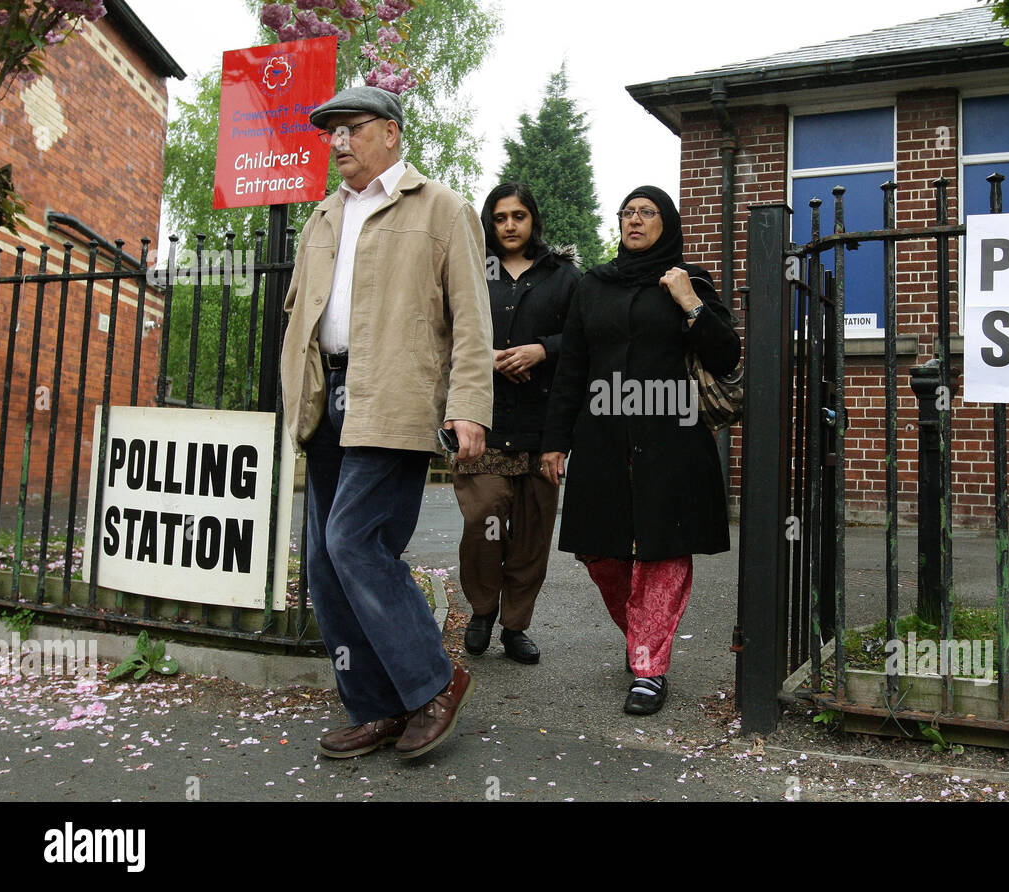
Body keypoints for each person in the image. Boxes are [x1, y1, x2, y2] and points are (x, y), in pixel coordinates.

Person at [280, 86, 493, 760]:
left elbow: (471, 318)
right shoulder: (322, 217)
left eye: (352, 127)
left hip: (394, 397)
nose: (337, 141)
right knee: (322, 561)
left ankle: (434, 682)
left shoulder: (443, 209)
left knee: (353, 541)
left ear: (393, 133)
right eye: (330, 132)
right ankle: (377, 707)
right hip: (328, 396)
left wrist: (468, 405)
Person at [540, 185, 740, 715]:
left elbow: (725, 353)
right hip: (602, 437)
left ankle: (649, 667)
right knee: (600, 552)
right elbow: (571, 368)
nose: (634, 220)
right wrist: (555, 441)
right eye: (627, 211)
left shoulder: (687, 280)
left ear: (666, 223)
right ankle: (643, 638)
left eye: (647, 213)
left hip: (672, 438)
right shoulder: (593, 286)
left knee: (662, 549)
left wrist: (690, 302)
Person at [454, 183, 581, 663]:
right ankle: (482, 610)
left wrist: (542, 348)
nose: (509, 225)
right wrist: (481, 357)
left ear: (534, 221)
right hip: (483, 422)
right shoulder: (471, 269)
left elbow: (584, 337)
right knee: (483, 520)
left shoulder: (563, 276)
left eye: (519, 216)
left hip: (542, 428)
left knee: (531, 534)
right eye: (500, 216)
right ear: (490, 222)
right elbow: (445, 327)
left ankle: (515, 627)